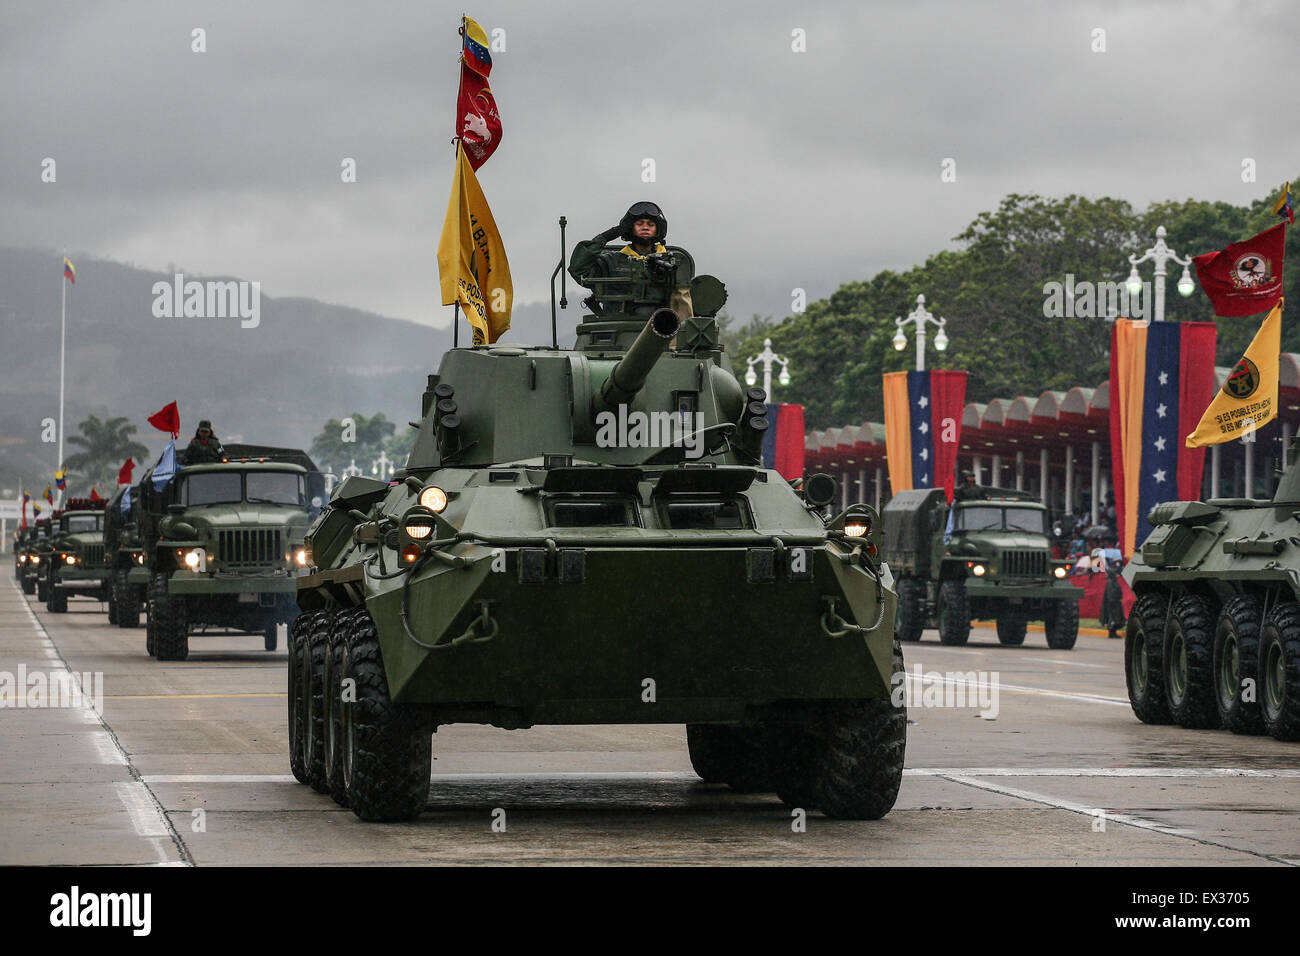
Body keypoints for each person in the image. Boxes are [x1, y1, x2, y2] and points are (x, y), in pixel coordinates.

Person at [568, 201, 690, 316]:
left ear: (658, 229)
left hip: (664, 327)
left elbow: (684, 300)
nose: (645, 228)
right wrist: (607, 236)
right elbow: (579, 270)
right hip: (618, 329)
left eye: (651, 224)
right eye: (639, 224)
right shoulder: (610, 261)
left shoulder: (672, 262)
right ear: (630, 228)